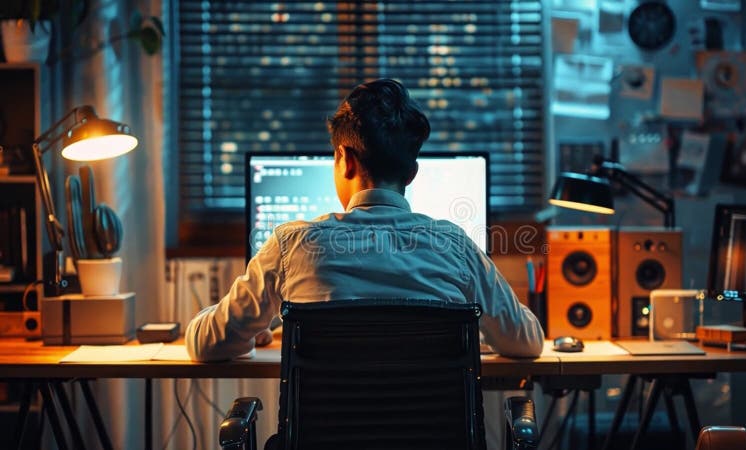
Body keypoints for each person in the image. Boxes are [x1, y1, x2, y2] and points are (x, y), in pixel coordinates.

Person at [185, 78, 544, 362]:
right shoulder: (456, 247)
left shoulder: (290, 246)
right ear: (412, 173)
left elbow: (205, 344)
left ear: (345, 159)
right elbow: (527, 343)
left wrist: (249, 334)